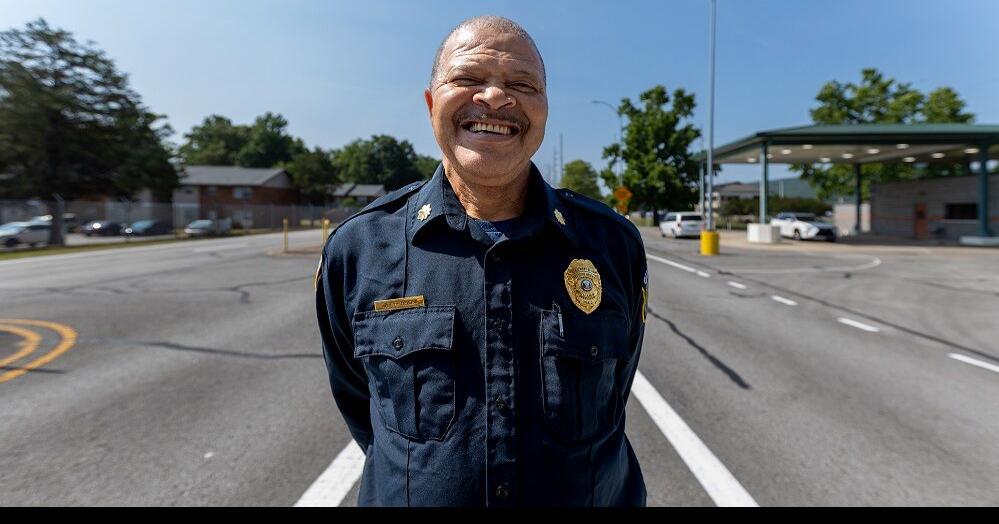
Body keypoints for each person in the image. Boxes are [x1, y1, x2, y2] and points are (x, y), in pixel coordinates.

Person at [316, 15, 648, 507]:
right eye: (468, 79)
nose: (495, 97)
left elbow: (614, 395)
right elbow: (361, 405)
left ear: (544, 110)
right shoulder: (359, 248)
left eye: (521, 84)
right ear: (431, 103)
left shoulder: (611, 244)